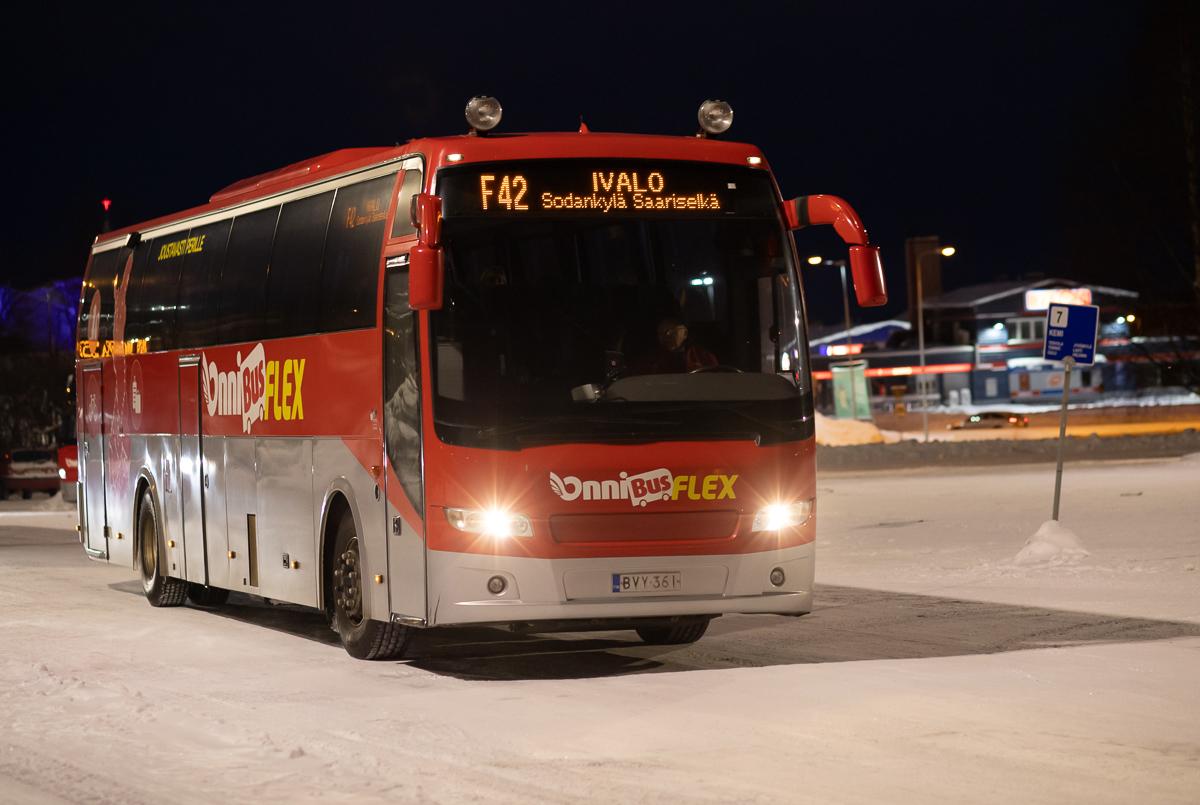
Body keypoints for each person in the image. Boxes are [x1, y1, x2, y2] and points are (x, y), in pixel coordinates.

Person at [629, 318, 718, 375]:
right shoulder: (649, 360)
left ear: (685, 334)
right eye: (661, 330)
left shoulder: (703, 357)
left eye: (671, 330)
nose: (666, 334)